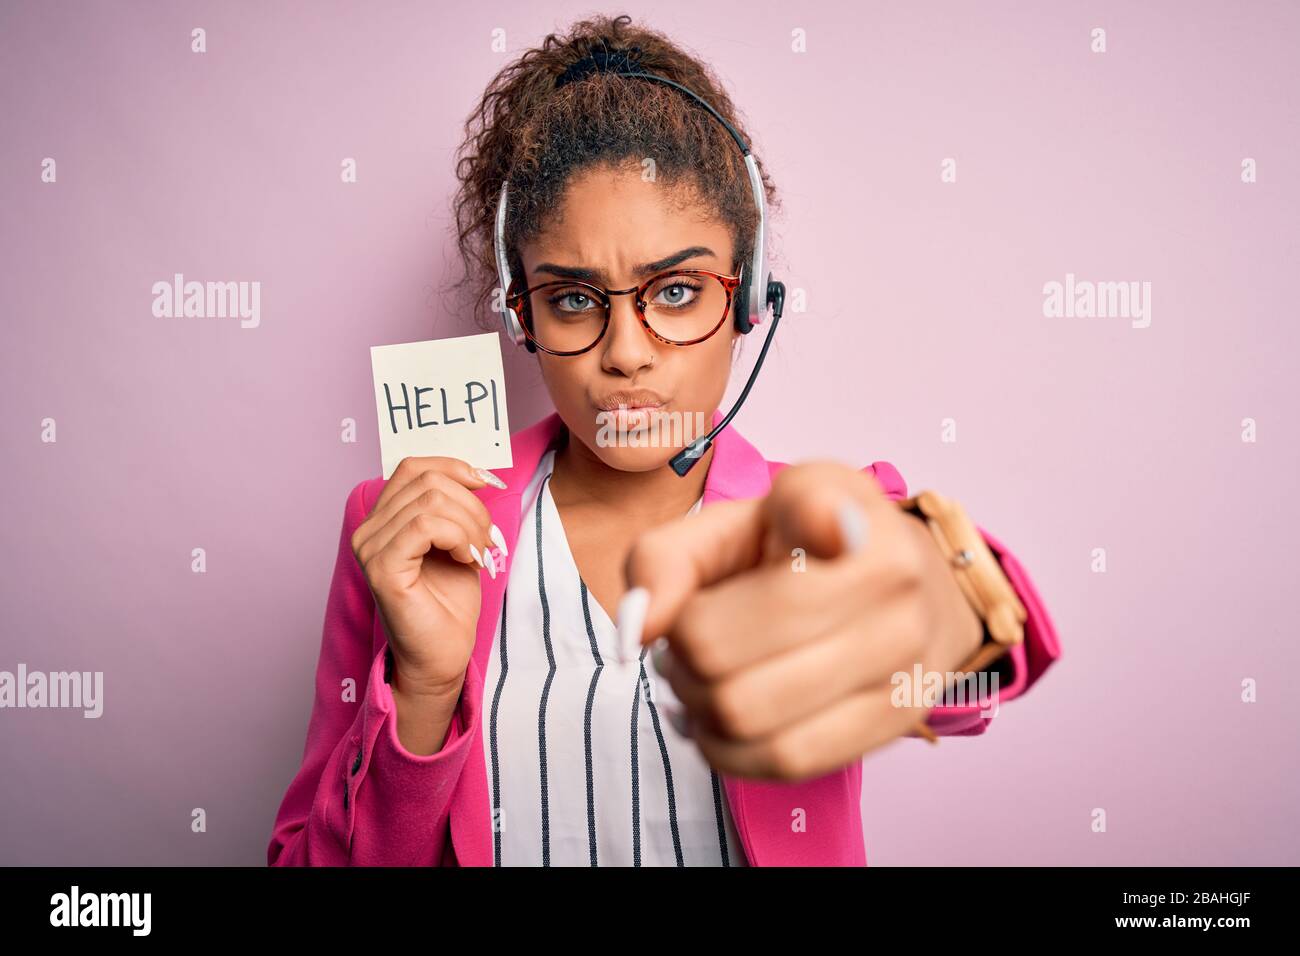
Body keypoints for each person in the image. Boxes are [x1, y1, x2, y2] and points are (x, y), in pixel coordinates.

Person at [268, 13, 1060, 867]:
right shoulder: (404, 532)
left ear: (750, 294)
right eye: (573, 299)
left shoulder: (823, 527)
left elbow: (977, 677)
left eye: (677, 291)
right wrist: (421, 691)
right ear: (519, 310)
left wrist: (929, 605)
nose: (626, 354)